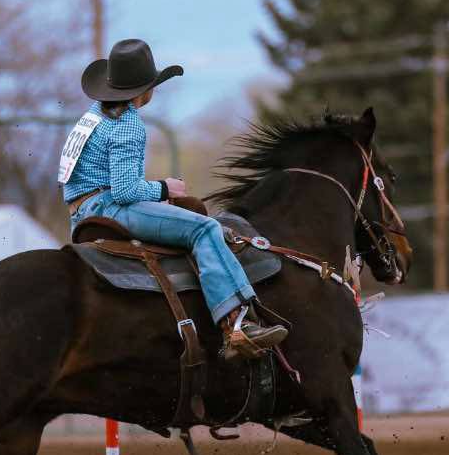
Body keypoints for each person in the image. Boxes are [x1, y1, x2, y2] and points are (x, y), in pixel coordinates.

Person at [61, 38, 287, 362]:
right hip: (108, 207)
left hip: (80, 209)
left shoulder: (93, 115)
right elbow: (124, 191)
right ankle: (236, 324)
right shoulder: (127, 125)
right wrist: (165, 189)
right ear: (146, 90)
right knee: (205, 229)